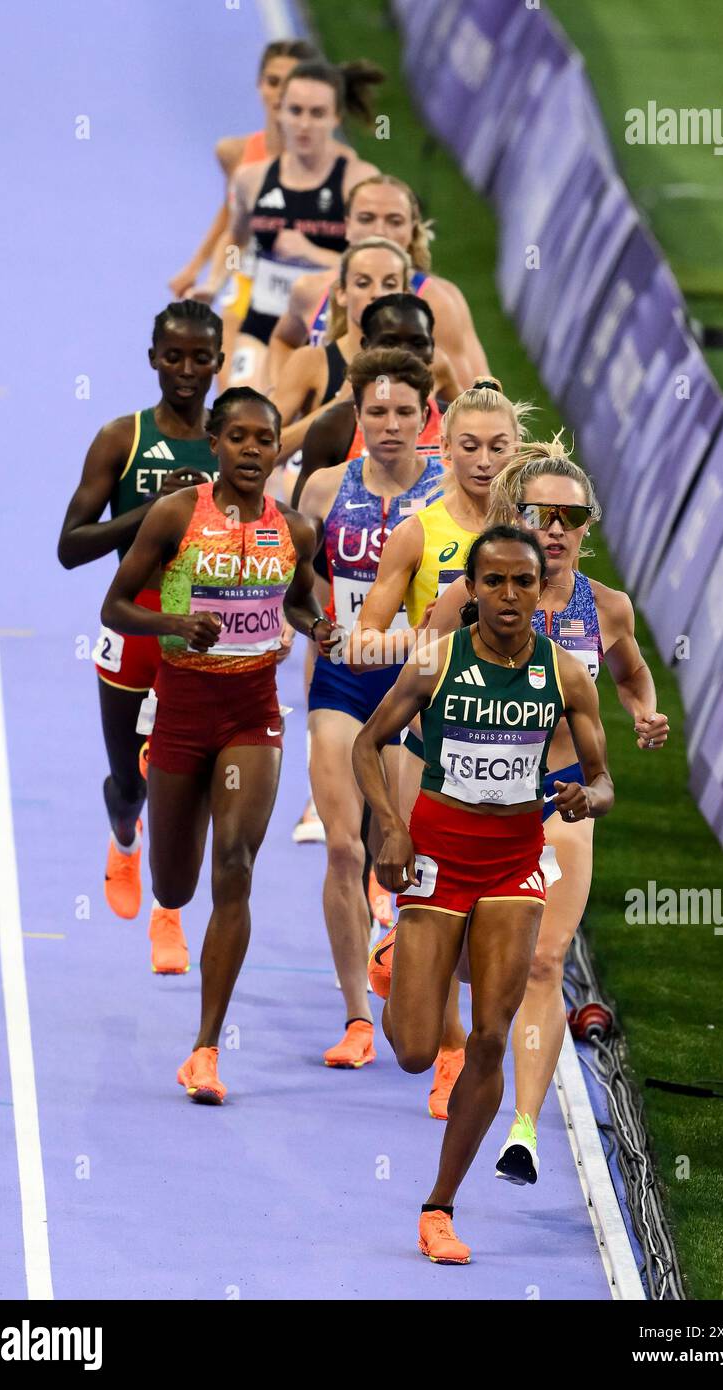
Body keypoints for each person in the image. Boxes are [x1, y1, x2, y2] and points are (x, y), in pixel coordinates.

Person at [352, 525, 614, 1262]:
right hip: (436, 859)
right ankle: (396, 957)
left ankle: (439, 1206)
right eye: (492, 581)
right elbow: (365, 745)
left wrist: (585, 800)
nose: (507, 595)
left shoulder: (564, 676)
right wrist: (391, 829)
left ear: (538, 591)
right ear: (471, 589)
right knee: (408, 1051)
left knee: (491, 1034)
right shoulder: (436, 664)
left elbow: (604, 780)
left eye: (521, 583)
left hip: (512, 865)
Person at [420, 440, 669, 1185]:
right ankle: (417, 963)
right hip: (472, 801)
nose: (557, 528)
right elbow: (418, 693)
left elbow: (631, 675)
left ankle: (522, 1129)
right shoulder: (467, 599)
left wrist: (645, 713)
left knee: (545, 962)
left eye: (572, 517)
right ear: (515, 515)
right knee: (467, 966)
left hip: (562, 799)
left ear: (587, 528)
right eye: (542, 514)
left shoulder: (608, 609)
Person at [100, 388, 337, 1104]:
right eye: (238, 437)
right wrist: (174, 623)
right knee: (175, 884)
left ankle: (204, 1050)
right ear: (214, 442)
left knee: (234, 865)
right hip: (182, 709)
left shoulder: (296, 528)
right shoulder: (178, 514)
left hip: (251, 713)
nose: (253, 451)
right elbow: (114, 605)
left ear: (276, 451)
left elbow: (295, 601)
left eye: (265, 440)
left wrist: (314, 622)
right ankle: (156, 802)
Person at [353, 380, 530, 1117]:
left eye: (498, 448)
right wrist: (429, 638)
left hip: (518, 755)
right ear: (444, 446)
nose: (484, 461)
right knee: (438, 920)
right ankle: (439, 1038)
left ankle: (468, 1041)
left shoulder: (538, 537)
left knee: (499, 936)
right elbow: (360, 641)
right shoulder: (419, 532)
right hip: (428, 741)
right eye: (469, 446)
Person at [58, 301, 224, 973]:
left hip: (201, 625)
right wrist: (152, 518)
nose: (187, 371)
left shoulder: (232, 442)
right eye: (174, 357)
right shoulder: (119, 439)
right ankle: (124, 839)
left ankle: (169, 915)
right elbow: (70, 547)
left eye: (201, 358)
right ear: (153, 358)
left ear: (218, 362)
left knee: (178, 782)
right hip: (132, 619)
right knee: (131, 781)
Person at [298, 348, 444, 1067]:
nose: (390, 425)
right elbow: (300, 586)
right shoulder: (324, 488)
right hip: (343, 683)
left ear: (427, 416)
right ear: (356, 416)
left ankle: (410, 986)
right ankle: (357, 1014)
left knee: (407, 850)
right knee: (342, 845)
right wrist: (317, 632)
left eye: (404, 413)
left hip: (418, 686)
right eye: (376, 412)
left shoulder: (452, 501)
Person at [201, 59, 383, 392]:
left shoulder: (358, 182)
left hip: (329, 333)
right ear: (279, 111)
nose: (304, 124)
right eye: (295, 111)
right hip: (262, 323)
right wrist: (213, 283)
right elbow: (235, 238)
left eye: (317, 114)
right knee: (239, 416)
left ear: (335, 118)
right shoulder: (252, 180)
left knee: (306, 437)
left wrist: (312, 253)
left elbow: (381, 271)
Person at [267, 174, 489, 390]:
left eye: (394, 221)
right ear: (347, 225)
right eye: (367, 218)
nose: (380, 231)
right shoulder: (311, 289)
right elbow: (282, 341)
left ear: (412, 229)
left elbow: (478, 395)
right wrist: (279, 390)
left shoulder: (439, 303)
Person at [168, 38, 322, 303]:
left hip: (313, 294)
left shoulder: (333, 167)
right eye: (273, 83)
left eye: (291, 85)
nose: (280, 95)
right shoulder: (234, 154)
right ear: (259, 84)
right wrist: (201, 272)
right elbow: (233, 217)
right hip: (255, 290)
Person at [291, 293, 460, 504]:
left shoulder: (457, 425)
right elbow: (302, 523)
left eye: (418, 343)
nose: (405, 354)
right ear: (365, 346)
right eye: (389, 342)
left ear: (432, 348)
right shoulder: (333, 427)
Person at [271, 237, 412, 464]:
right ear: (342, 293)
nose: (377, 294)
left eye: (389, 284)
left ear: (406, 294)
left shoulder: (432, 366)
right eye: (363, 283)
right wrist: (337, 406)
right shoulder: (312, 363)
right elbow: (262, 451)